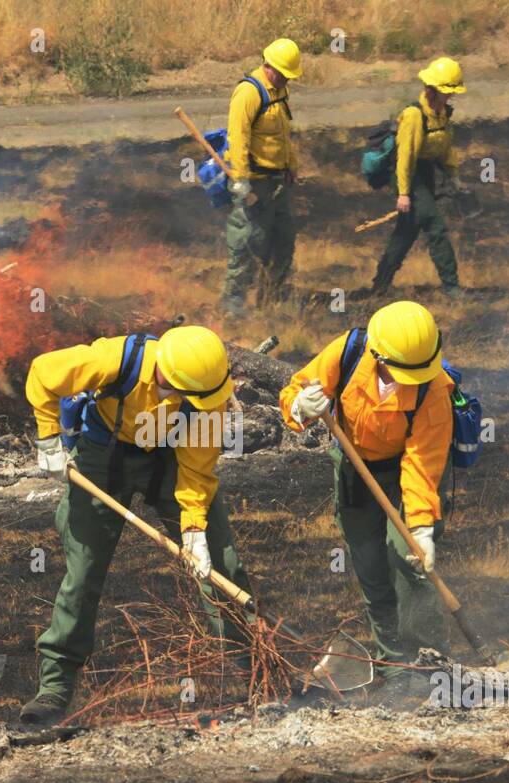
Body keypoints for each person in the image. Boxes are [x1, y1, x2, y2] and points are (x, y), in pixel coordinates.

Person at [24, 326, 253, 726]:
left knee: (219, 563)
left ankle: (255, 668)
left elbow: (198, 469)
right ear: (165, 373)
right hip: (104, 456)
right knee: (83, 571)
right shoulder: (116, 359)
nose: (188, 401)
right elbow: (44, 373)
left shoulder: (207, 393)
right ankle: (55, 686)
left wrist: (195, 528)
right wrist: (48, 439)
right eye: (182, 393)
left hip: (171, 461)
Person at [278, 301, 454, 699]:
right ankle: (393, 666)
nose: (410, 379)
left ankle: (427, 665)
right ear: (378, 355)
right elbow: (295, 389)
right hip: (354, 467)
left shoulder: (434, 388)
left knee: (407, 559)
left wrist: (422, 527)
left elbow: (422, 462)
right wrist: (299, 406)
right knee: (371, 565)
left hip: (405, 472)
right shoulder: (349, 350)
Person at [370, 56, 468, 300]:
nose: (451, 96)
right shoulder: (414, 116)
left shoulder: (442, 113)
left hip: (426, 174)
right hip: (408, 175)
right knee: (436, 227)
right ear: (433, 89)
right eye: (448, 91)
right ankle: (452, 286)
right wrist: (403, 193)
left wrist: (453, 175)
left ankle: (380, 284)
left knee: (407, 231)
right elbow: (405, 157)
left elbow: (445, 148)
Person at [221, 38, 302, 318]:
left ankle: (271, 298)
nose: (287, 80)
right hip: (254, 182)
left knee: (283, 239)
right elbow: (238, 137)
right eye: (284, 75)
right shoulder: (248, 93)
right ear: (270, 67)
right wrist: (241, 181)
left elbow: (282, 135)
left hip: (277, 182)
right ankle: (234, 304)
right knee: (247, 243)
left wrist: (291, 164)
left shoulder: (280, 92)